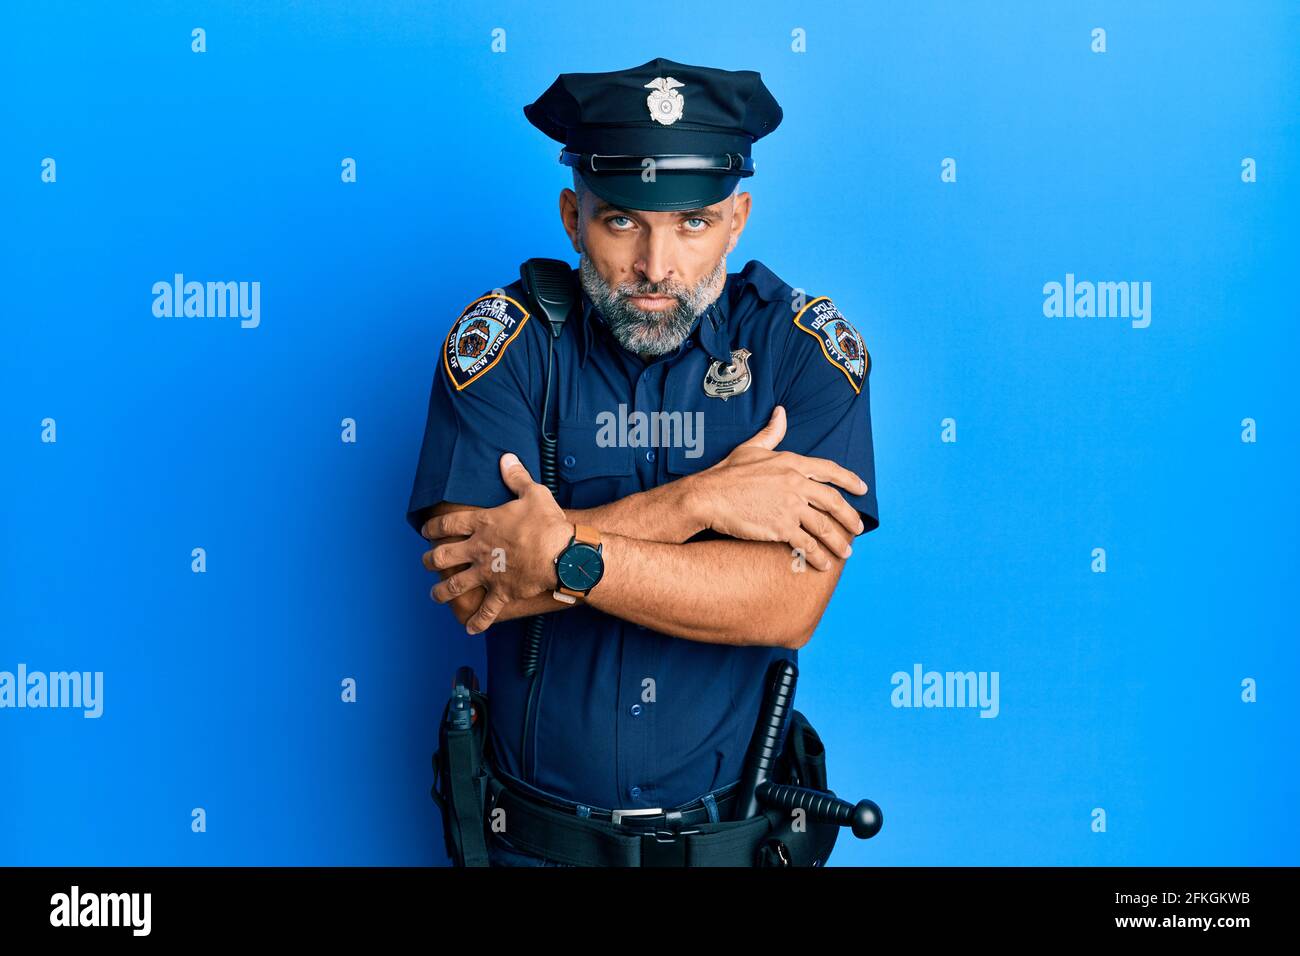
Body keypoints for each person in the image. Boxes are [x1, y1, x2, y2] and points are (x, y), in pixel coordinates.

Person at [407, 57, 879, 867]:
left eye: (692, 223)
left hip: (732, 841)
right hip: (531, 845)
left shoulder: (802, 355)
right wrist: (698, 503)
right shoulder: (506, 347)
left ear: (738, 219)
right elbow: (477, 577)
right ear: (571, 215)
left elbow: (786, 602)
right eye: (622, 221)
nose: (657, 267)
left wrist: (560, 552)